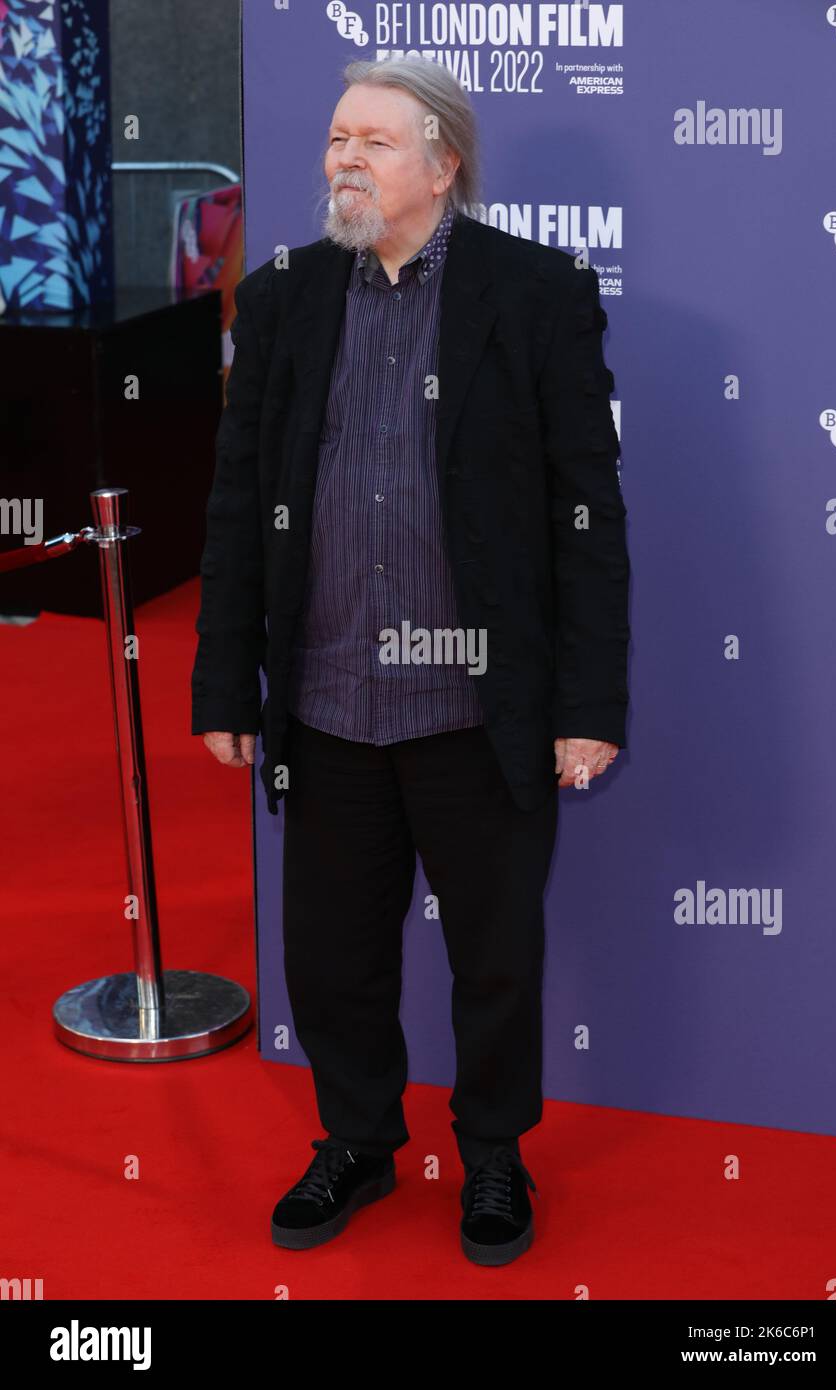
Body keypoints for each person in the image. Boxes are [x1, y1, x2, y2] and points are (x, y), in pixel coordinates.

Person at [191, 56, 630, 1267]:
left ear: (442, 164)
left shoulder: (533, 293)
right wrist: (225, 681)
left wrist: (586, 705)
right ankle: (356, 1141)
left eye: (374, 141)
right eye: (337, 136)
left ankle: (491, 1156)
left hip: (473, 704)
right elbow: (238, 503)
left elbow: (584, 513)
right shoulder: (282, 297)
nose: (343, 158)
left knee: (494, 954)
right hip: (328, 700)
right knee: (330, 954)